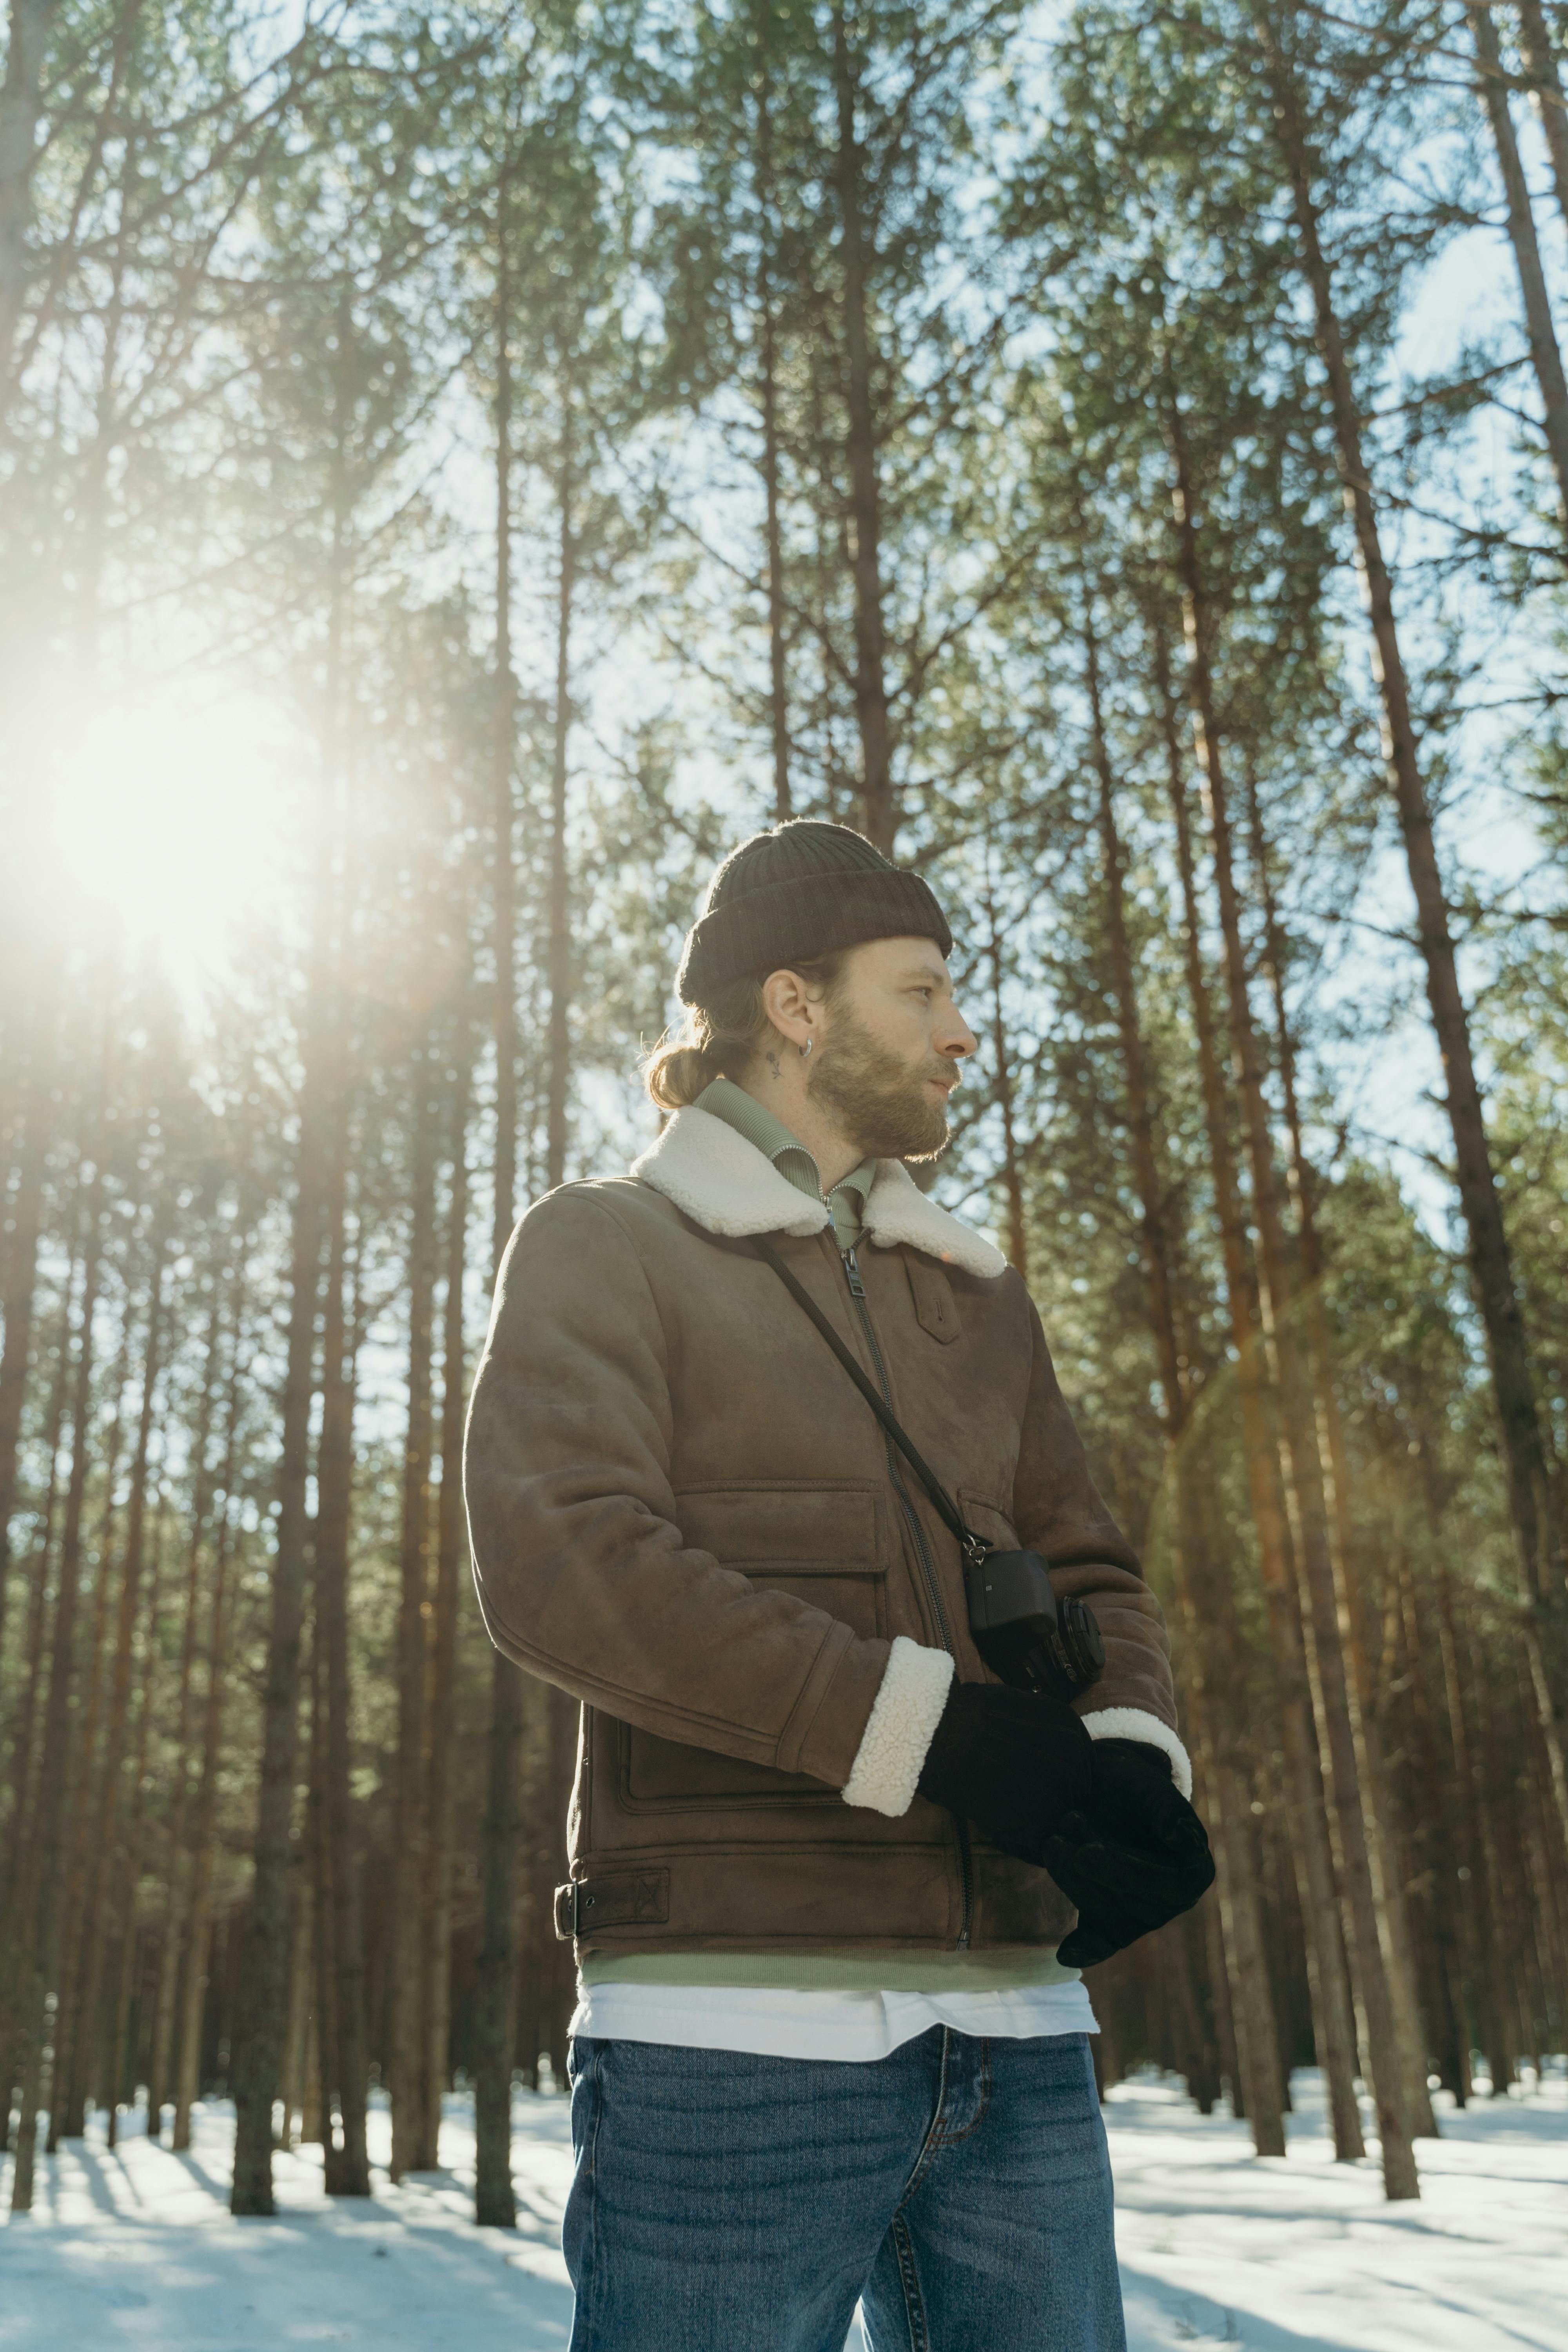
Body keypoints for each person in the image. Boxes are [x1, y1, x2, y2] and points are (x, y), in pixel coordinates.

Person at [465, 819, 1214, 2352]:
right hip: (728, 2034)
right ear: (794, 1005)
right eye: (921, 990)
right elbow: (565, 1561)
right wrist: (931, 1734)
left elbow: (1092, 1568)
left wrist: (1126, 1758)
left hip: (1022, 2031)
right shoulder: (609, 1245)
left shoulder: (977, 1296)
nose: (960, 1031)